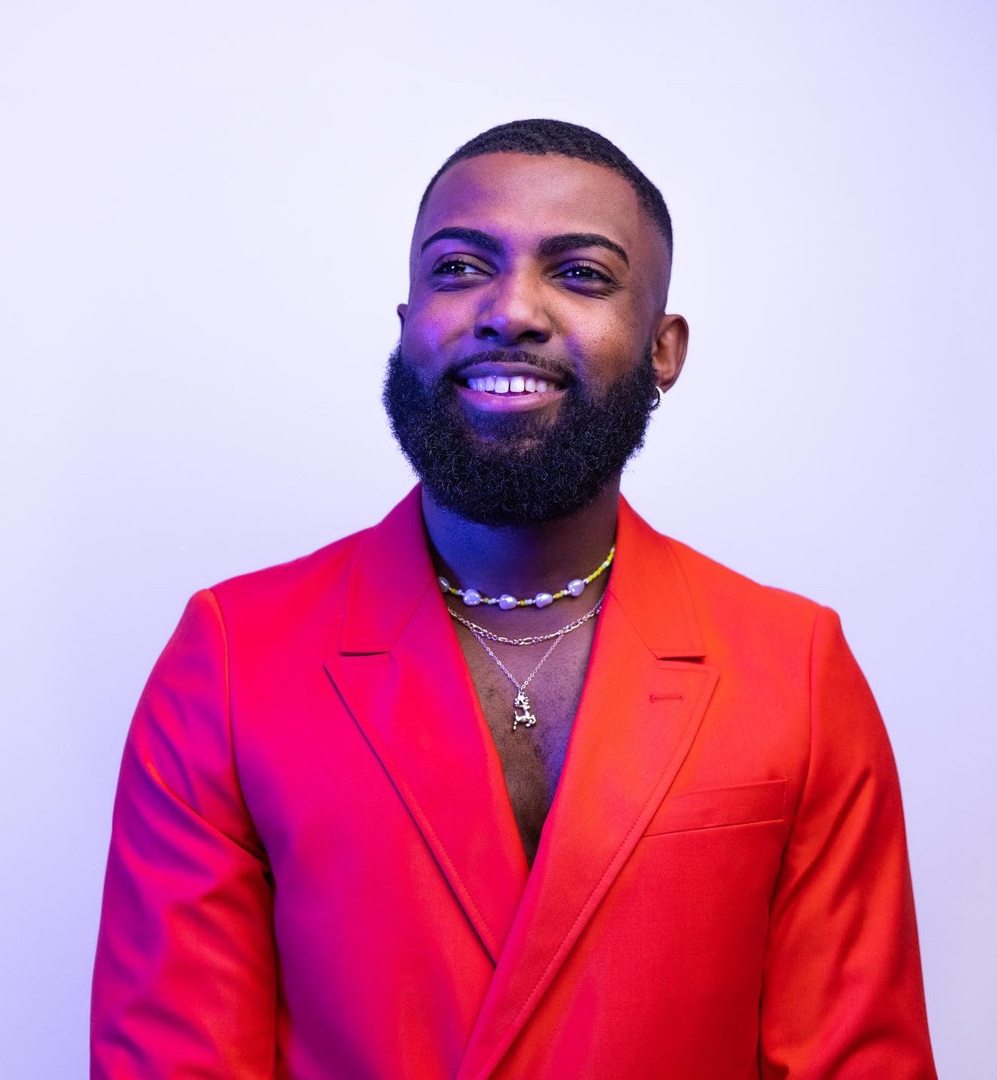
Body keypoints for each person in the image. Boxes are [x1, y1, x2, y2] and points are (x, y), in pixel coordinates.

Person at [91, 119, 937, 1079]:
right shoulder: (232, 658)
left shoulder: (796, 667)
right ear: (407, 323)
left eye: (580, 274)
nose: (511, 311)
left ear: (664, 350)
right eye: (459, 269)